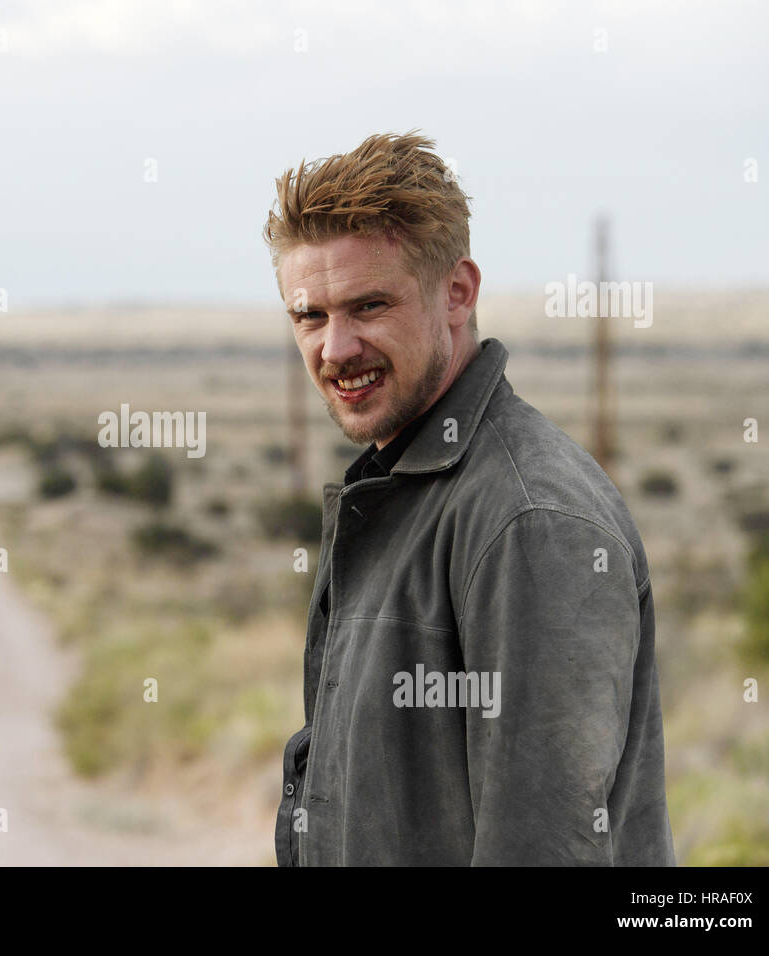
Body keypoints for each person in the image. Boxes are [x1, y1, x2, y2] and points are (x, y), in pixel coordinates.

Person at [265, 131, 676, 866]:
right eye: (310, 316)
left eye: (368, 306)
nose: (336, 348)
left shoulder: (528, 522)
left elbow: (543, 848)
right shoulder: (403, 488)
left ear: (457, 293)